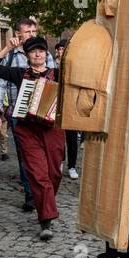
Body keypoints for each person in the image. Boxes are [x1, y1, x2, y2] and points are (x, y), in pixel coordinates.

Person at [0, 35, 66, 240]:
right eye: (33, 51)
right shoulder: (20, 74)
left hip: (53, 129)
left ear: (45, 53)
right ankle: (45, 220)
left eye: (41, 50)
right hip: (27, 130)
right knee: (38, 175)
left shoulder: (58, 73)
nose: (37, 54)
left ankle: (46, 200)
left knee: (54, 174)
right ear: (27, 55)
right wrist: (6, 48)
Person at [0, 17, 38, 209]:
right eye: (28, 32)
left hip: (42, 116)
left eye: (34, 32)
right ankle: (30, 194)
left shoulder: (44, 54)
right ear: (18, 34)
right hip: (19, 116)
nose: (32, 35)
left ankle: (43, 188)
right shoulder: (11, 56)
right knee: (24, 155)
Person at [55, 38, 79, 178]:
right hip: (56, 106)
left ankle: (72, 166)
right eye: (59, 49)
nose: (60, 51)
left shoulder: (75, 65)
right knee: (58, 137)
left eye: (63, 49)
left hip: (71, 105)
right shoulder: (52, 63)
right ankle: (60, 161)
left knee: (72, 138)